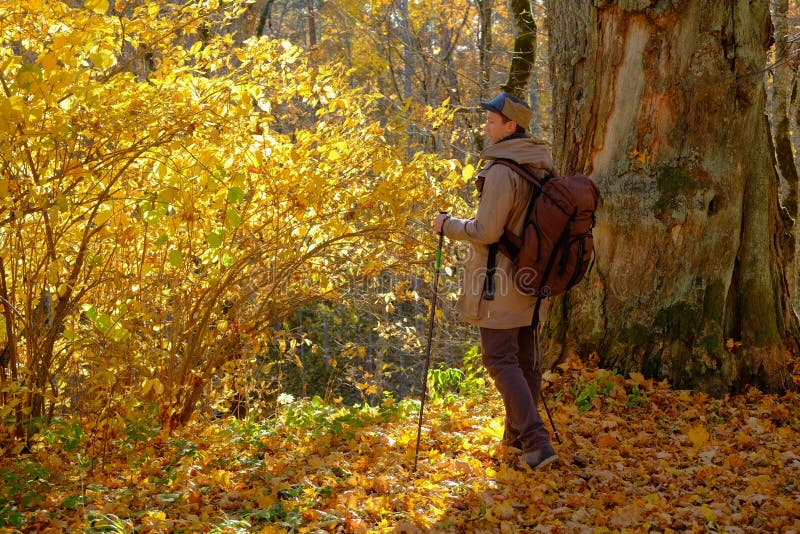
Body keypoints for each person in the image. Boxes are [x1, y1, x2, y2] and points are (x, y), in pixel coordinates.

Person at [432, 91, 557, 470]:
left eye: (491, 121)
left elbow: (487, 231)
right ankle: (517, 440)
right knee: (525, 361)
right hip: (531, 277)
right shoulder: (539, 164)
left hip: (500, 280)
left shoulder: (503, 170)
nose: (485, 127)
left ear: (510, 125)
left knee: (499, 358)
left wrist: (448, 225)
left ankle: (537, 442)